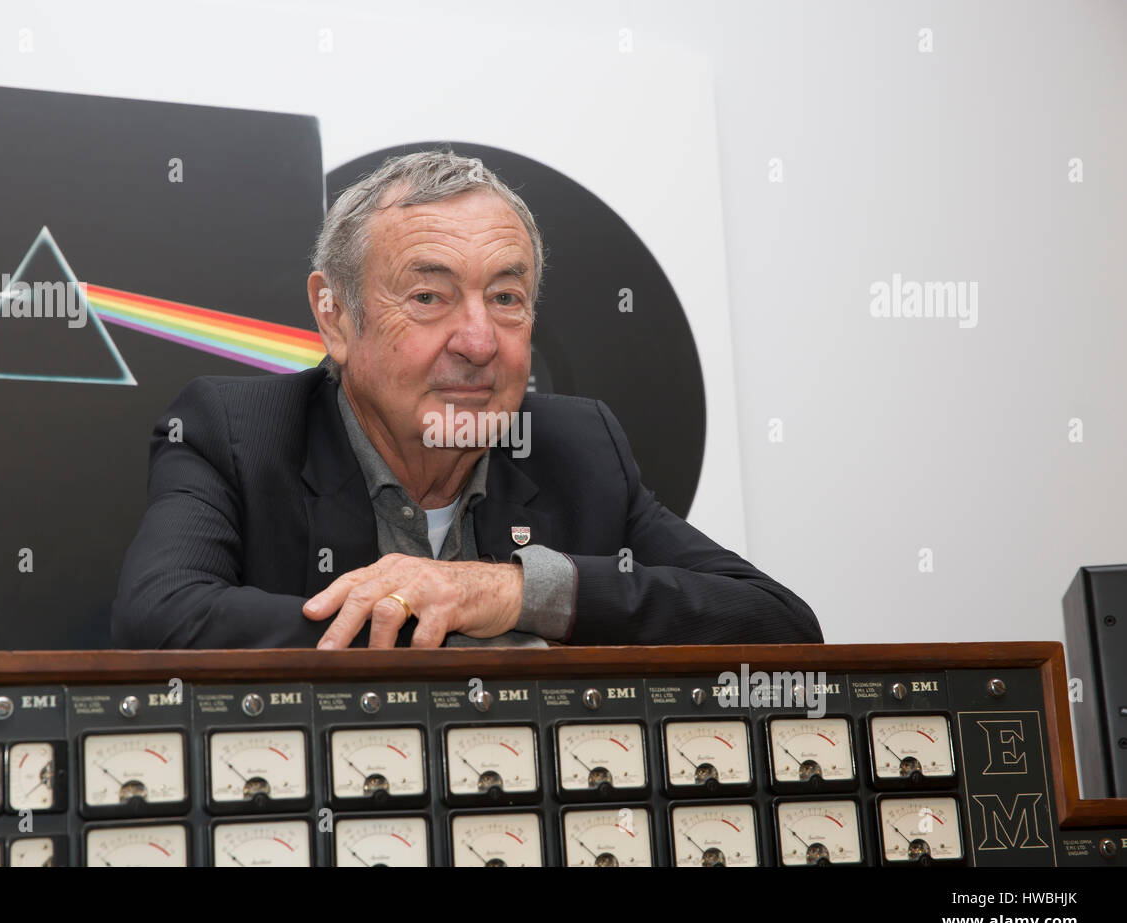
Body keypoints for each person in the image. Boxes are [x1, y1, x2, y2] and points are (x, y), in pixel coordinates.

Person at [111, 149, 822, 650]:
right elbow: (160, 618)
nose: (480, 342)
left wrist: (502, 595)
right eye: (429, 297)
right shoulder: (236, 434)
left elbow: (775, 620)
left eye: (506, 298)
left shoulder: (579, 449)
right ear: (336, 317)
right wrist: (444, 635)